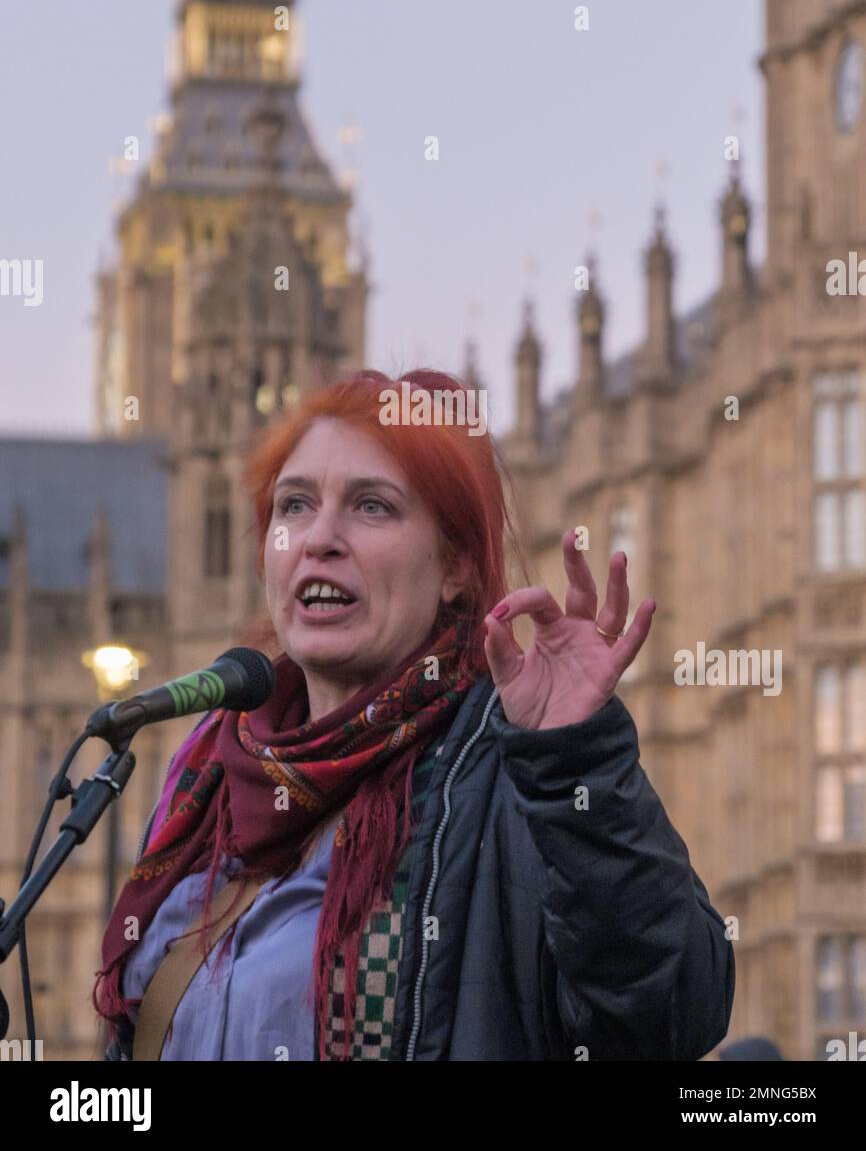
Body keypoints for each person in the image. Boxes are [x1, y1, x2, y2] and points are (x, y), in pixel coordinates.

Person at [94, 368, 735, 1061]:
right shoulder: (211, 777)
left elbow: (671, 1011)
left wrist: (577, 762)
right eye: (295, 505)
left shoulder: (513, 775)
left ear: (456, 564)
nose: (321, 538)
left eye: (372, 506)